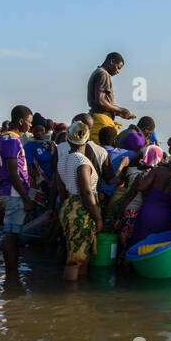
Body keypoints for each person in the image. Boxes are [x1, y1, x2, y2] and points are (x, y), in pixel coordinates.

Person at [54, 121, 103, 282]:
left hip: (69, 207)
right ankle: (70, 299)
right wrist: (97, 217)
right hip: (83, 210)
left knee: (80, 253)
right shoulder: (82, 162)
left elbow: (61, 191)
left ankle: (79, 294)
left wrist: (65, 211)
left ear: (67, 140)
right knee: (75, 259)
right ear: (87, 140)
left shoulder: (62, 160)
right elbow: (86, 192)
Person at [0, 105, 38, 274]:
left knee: (11, 234)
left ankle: (11, 272)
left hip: (9, 191)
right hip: (14, 192)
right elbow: (13, 173)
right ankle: (11, 275)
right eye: (29, 123)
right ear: (20, 122)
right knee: (11, 234)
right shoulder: (13, 140)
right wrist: (26, 198)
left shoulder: (3, 138)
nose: (30, 126)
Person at [86, 52, 134, 144]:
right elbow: (100, 101)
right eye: (118, 67)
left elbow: (101, 105)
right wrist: (120, 109)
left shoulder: (98, 72)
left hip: (97, 118)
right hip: (101, 121)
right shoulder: (103, 74)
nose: (118, 71)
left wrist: (117, 113)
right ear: (112, 61)